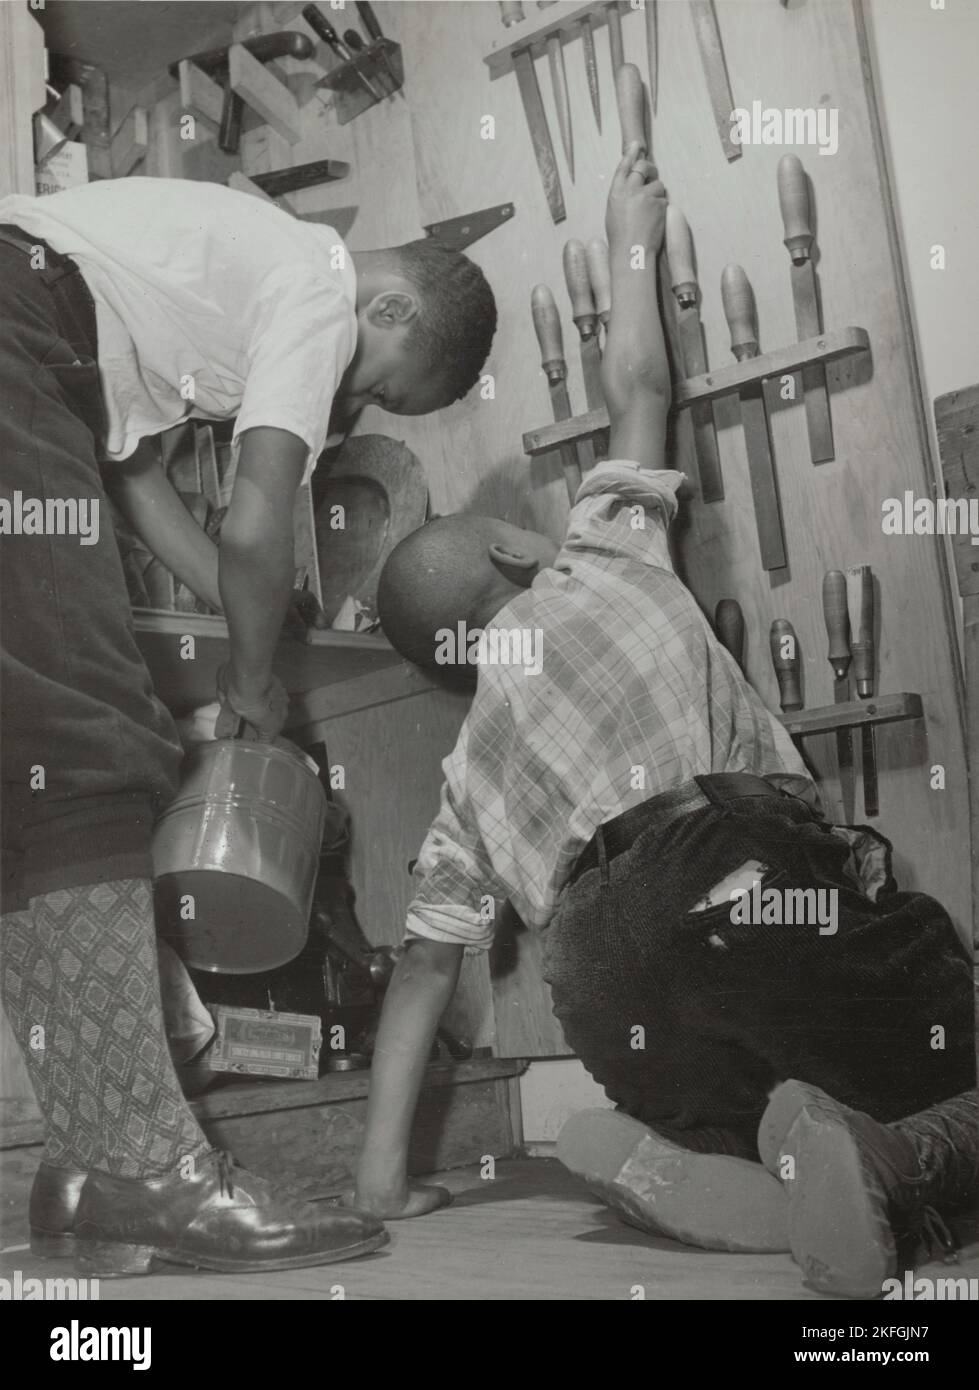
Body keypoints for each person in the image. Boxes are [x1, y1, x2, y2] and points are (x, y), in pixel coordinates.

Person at [349, 146, 977, 1297]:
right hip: (725, 868)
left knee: (759, 1088)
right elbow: (641, 384)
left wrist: (382, 1181)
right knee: (952, 1042)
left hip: (596, 983)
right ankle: (885, 1171)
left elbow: (425, 971)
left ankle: (737, 1169)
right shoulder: (596, 558)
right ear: (510, 554)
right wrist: (626, 233)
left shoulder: (467, 777)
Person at [0, 175, 496, 1276]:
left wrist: (250, 611)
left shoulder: (194, 290)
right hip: (15, 329)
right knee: (86, 739)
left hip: (33, 349)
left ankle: (86, 1166)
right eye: (376, 387)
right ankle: (139, 1165)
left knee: (26, 749)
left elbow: (134, 473)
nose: (349, 407)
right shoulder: (314, 288)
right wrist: (259, 679)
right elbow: (257, 517)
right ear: (392, 311)